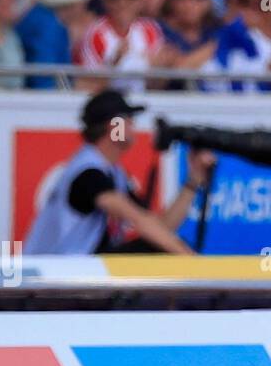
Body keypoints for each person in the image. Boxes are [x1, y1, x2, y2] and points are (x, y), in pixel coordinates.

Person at [24, 90, 213, 255]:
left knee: (160, 244)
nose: (133, 125)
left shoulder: (111, 172)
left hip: (75, 271)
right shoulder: (88, 172)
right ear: (113, 127)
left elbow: (161, 228)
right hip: (53, 277)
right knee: (160, 248)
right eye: (127, 120)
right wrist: (191, 260)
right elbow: (140, 221)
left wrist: (193, 181)